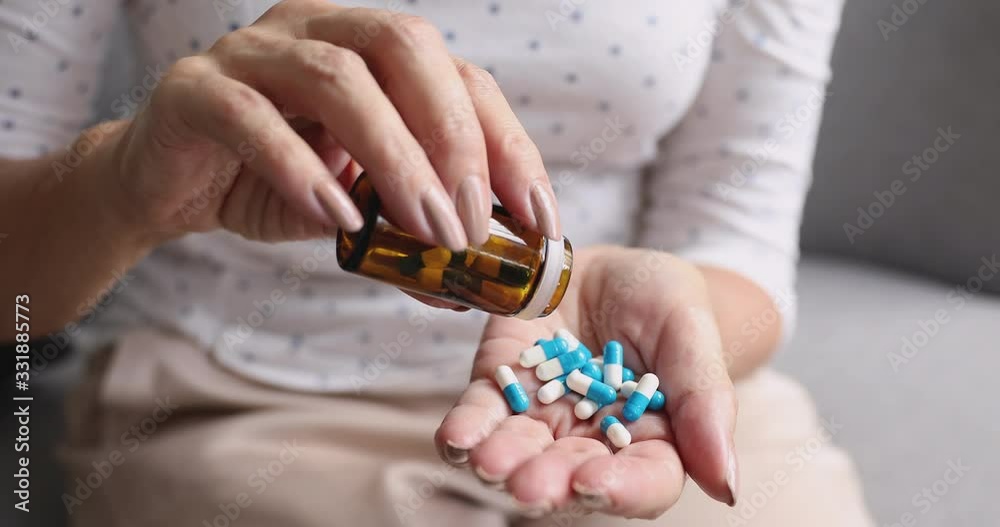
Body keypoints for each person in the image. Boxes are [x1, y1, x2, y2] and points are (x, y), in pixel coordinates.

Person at [0, 0, 873, 525]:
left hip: (637, 380)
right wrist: (129, 187)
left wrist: (679, 324)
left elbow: (740, 243)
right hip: (238, 397)